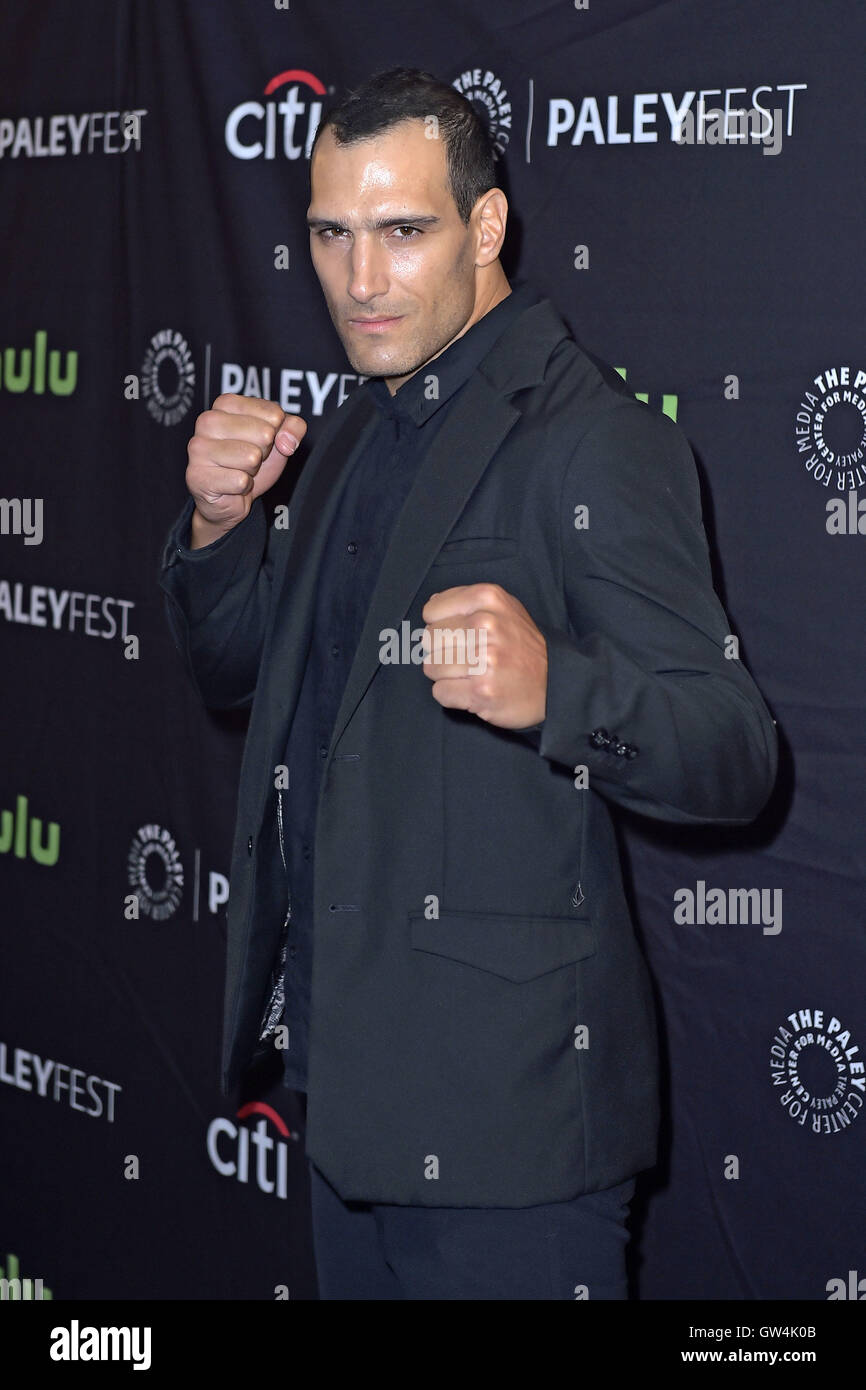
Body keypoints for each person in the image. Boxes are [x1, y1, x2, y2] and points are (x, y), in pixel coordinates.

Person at [158, 66, 778, 1300]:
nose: (360, 280)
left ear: (484, 228)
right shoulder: (349, 428)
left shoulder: (590, 438)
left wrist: (561, 689)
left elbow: (735, 750)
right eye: (331, 236)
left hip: (511, 1145)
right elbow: (236, 677)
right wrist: (219, 526)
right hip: (345, 1110)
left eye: (402, 231)